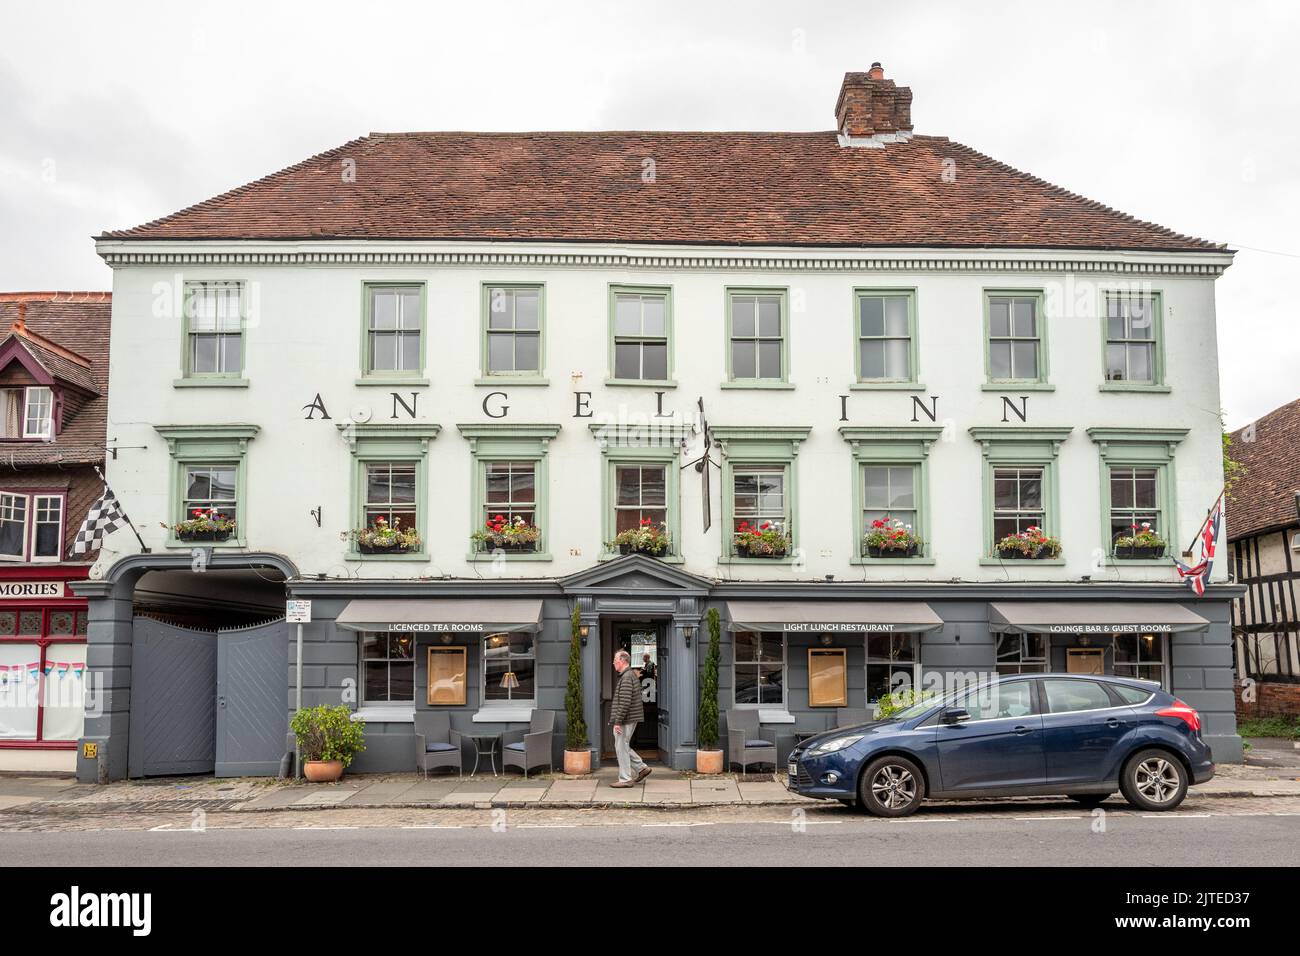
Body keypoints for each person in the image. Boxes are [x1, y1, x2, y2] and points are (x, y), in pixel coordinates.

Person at [610, 649, 651, 787]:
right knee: (623, 745)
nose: (613, 662)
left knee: (621, 747)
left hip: (626, 719)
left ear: (622, 661)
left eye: (615, 660)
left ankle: (626, 779)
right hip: (628, 718)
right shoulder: (628, 675)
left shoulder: (627, 677)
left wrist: (618, 721)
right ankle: (641, 768)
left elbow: (625, 701)